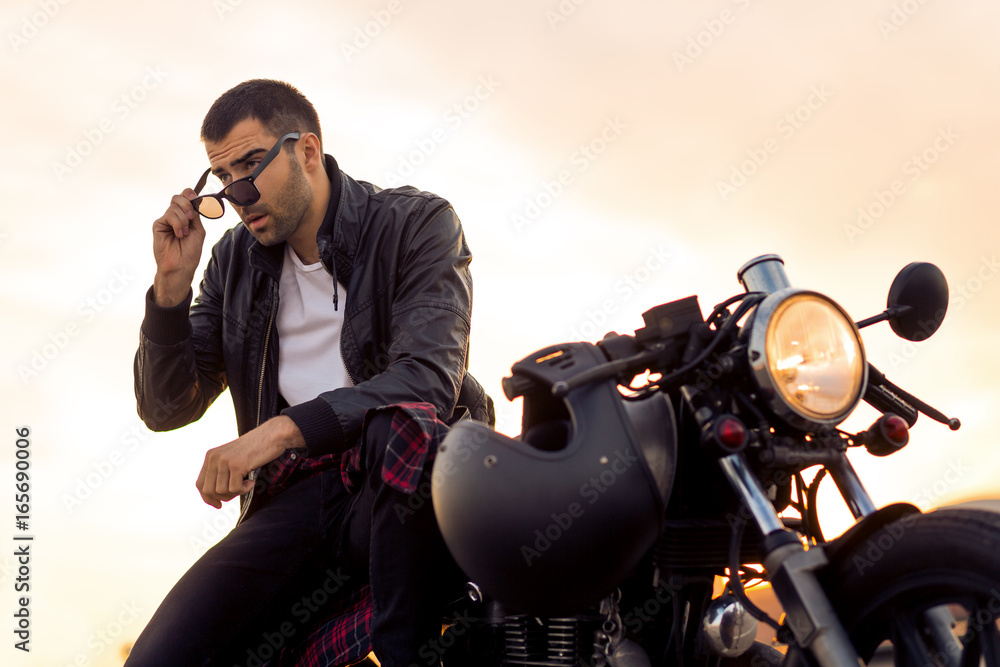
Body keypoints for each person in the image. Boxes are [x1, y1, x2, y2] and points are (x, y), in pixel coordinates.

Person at [127, 79, 493, 667]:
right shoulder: (232, 263)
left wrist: (272, 434)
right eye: (222, 179)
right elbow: (167, 407)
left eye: (250, 165)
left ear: (307, 152)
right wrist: (170, 290)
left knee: (396, 430)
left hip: (399, 482)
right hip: (294, 497)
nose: (238, 194)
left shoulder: (417, 223)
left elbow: (426, 378)